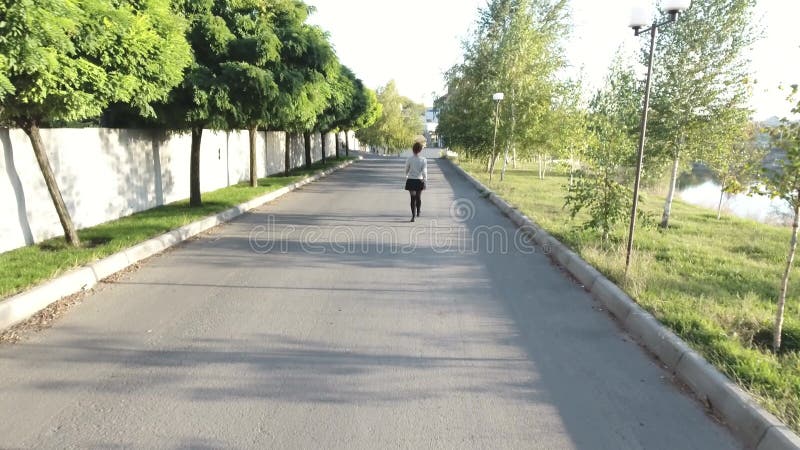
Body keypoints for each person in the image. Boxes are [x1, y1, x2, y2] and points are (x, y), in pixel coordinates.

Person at [404, 142, 427, 222]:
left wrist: (406, 174)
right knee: (418, 197)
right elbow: (424, 171)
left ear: (413, 149)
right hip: (419, 180)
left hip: (411, 180)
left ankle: (413, 216)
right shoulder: (423, 159)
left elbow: (406, 169)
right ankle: (418, 212)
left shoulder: (409, 159)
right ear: (420, 150)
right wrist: (425, 180)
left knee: (412, 198)